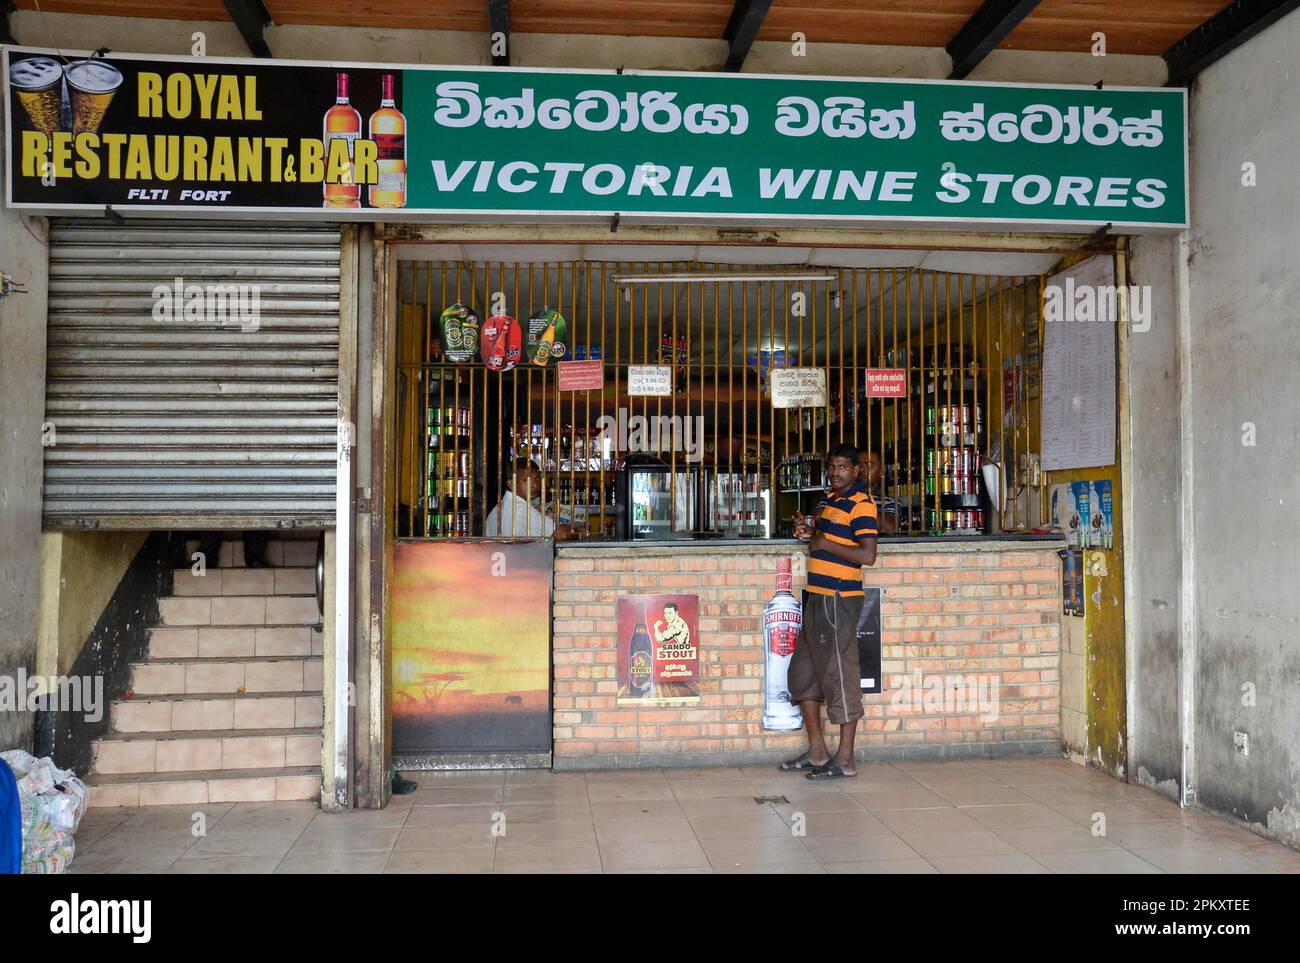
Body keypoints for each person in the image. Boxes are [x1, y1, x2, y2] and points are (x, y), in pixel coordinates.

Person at [780, 442, 878, 780]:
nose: (835, 473)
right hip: (817, 597)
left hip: (839, 598)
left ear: (857, 470)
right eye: (832, 467)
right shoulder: (831, 501)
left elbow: (867, 555)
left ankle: (846, 759)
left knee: (840, 676)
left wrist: (823, 543)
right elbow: (825, 539)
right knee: (802, 674)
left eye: (842, 467)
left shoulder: (862, 504)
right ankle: (818, 752)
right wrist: (810, 533)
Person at [484, 458, 576, 539]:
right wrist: (581, 531)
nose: (535, 485)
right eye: (526, 480)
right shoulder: (520, 509)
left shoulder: (497, 510)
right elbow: (562, 534)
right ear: (511, 483)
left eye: (536, 479)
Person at [859, 449, 898, 535]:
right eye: (857, 464)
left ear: (882, 471)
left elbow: (889, 527)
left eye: (868, 465)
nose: (861, 469)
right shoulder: (834, 498)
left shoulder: (889, 502)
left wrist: (850, 507)